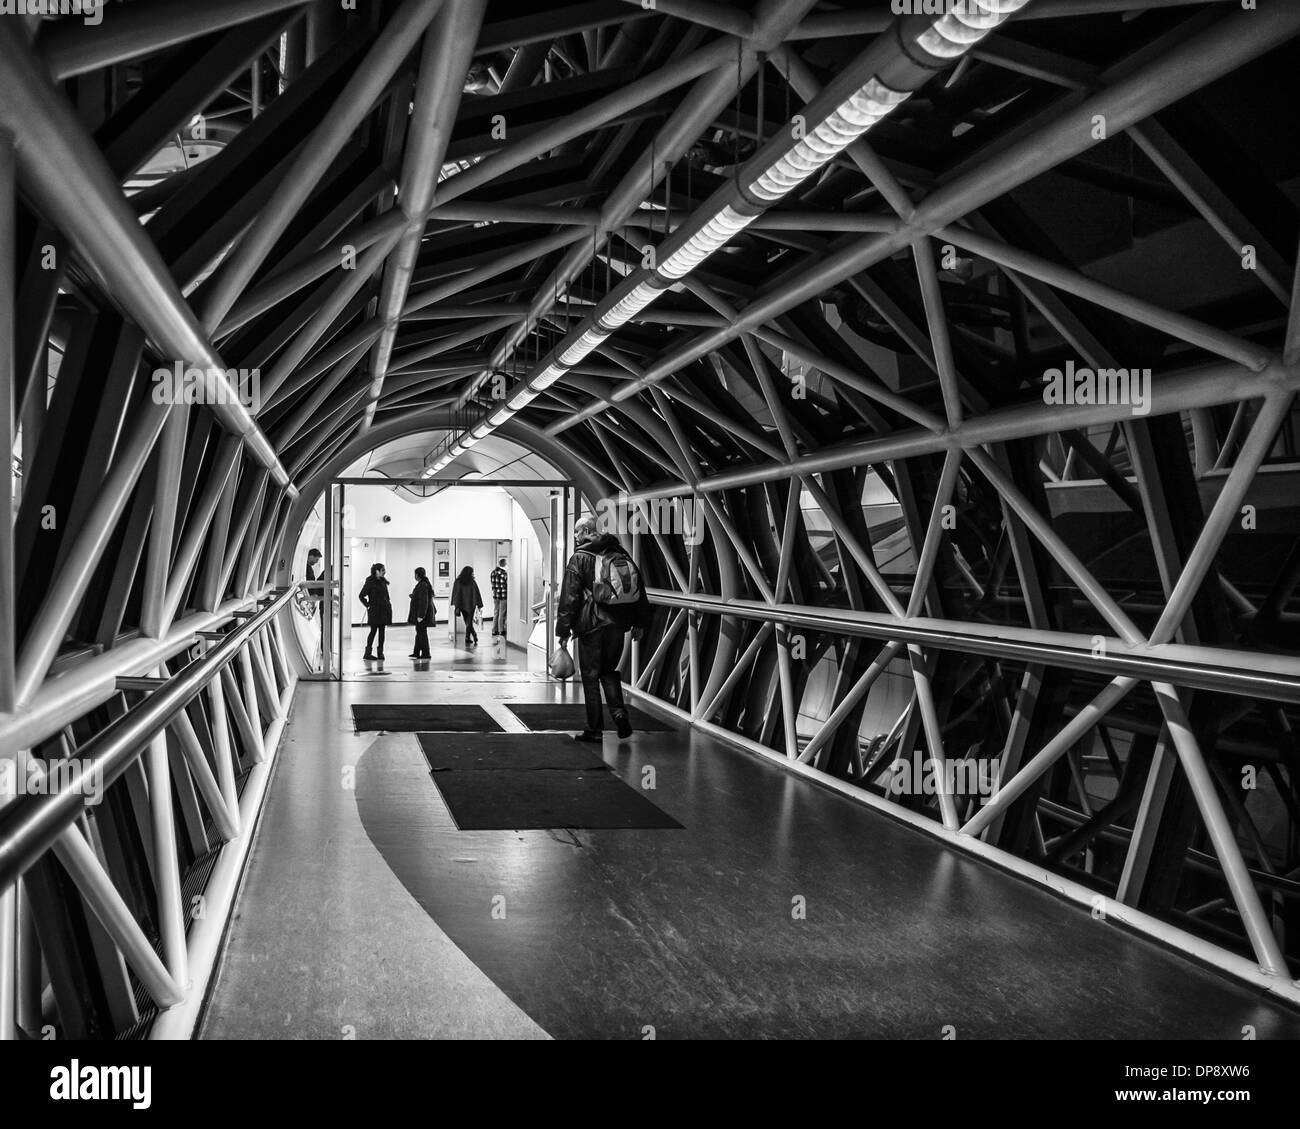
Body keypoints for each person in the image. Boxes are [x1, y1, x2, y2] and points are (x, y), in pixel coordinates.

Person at [557, 514, 651, 742]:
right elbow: (639, 589)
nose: (576, 536)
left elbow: (570, 597)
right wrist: (640, 622)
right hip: (618, 624)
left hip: (591, 625)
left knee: (590, 677)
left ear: (586, 531)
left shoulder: (580, 557)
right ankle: (619, 715)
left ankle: (594, 729)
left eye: (577, 532)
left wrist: (563, 630)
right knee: (609, 671)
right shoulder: (619, 552)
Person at [358, 563, 391, 660]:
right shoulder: (370, 582)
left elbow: (386, 596)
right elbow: (361, 596)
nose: (385, 572)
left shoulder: (383, 581)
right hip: (375, 611)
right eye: (383, 570)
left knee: (382, 632)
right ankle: (367, 653)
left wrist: (388, 604)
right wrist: (368, 605)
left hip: (384, 610)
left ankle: (380, 653)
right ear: (377, 571)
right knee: (373, 631)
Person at [449, 565, 483, 646]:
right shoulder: (472, 582)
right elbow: (476, 594)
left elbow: (456, 594)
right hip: (471, 605)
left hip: (462, 605)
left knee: (467, 622)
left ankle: (469, 637)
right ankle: (471, 636)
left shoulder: (458, 581)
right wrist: (479, 604)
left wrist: (456, 605)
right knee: (469, 622)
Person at [408, 566, 435, 659]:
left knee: (422, 633)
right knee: (419, 632)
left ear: (417, 575)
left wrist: (421, 616)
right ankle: (416, 652)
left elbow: (424, 601)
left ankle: (426, 653)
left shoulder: (423, 585)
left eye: (415, 574)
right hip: (422, 614)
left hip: (422, 615)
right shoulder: (423, 584)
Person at [490, 557, 509, 639]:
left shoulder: (493, 572)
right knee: (502, 613)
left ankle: (494, 630)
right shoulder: (504, 573)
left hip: (495, 596)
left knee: (496, 612)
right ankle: (501, 630)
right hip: (503, 596)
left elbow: (492, 583)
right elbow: (507, 583)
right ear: (504, 564)